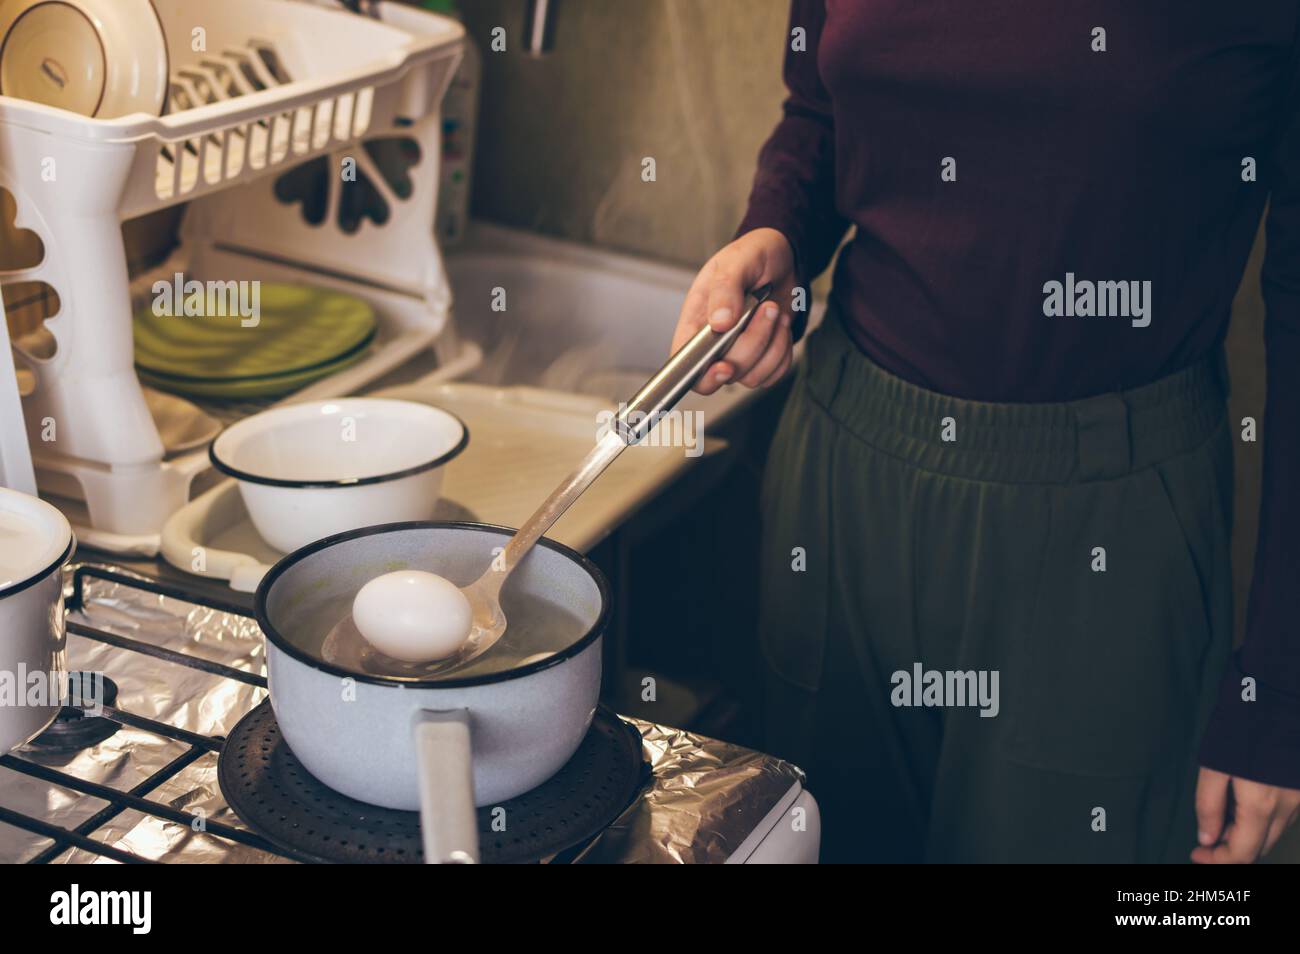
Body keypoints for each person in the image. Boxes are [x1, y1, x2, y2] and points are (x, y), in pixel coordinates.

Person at [670, 1, 1300, 863]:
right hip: (842, 481)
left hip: (1108, 538)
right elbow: (820, 104)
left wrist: (1280, 689)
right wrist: (777, 227)